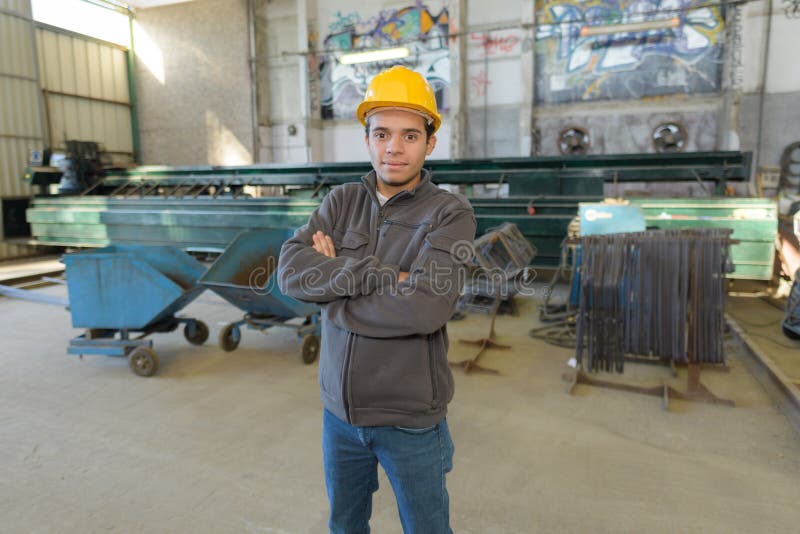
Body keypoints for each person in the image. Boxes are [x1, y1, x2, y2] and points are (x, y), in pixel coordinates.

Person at [277, 65, 476, 534]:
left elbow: (426, 306)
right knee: (345, 527)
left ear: (430, 143)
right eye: (382, 133)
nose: (394, 147)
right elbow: (289, 272)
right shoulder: (341, 201)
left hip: (409, 420)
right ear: (366, 138)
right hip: (339, 415)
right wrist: (386, 275)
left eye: (410, 135)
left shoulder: (450, 213)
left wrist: (332, 293)